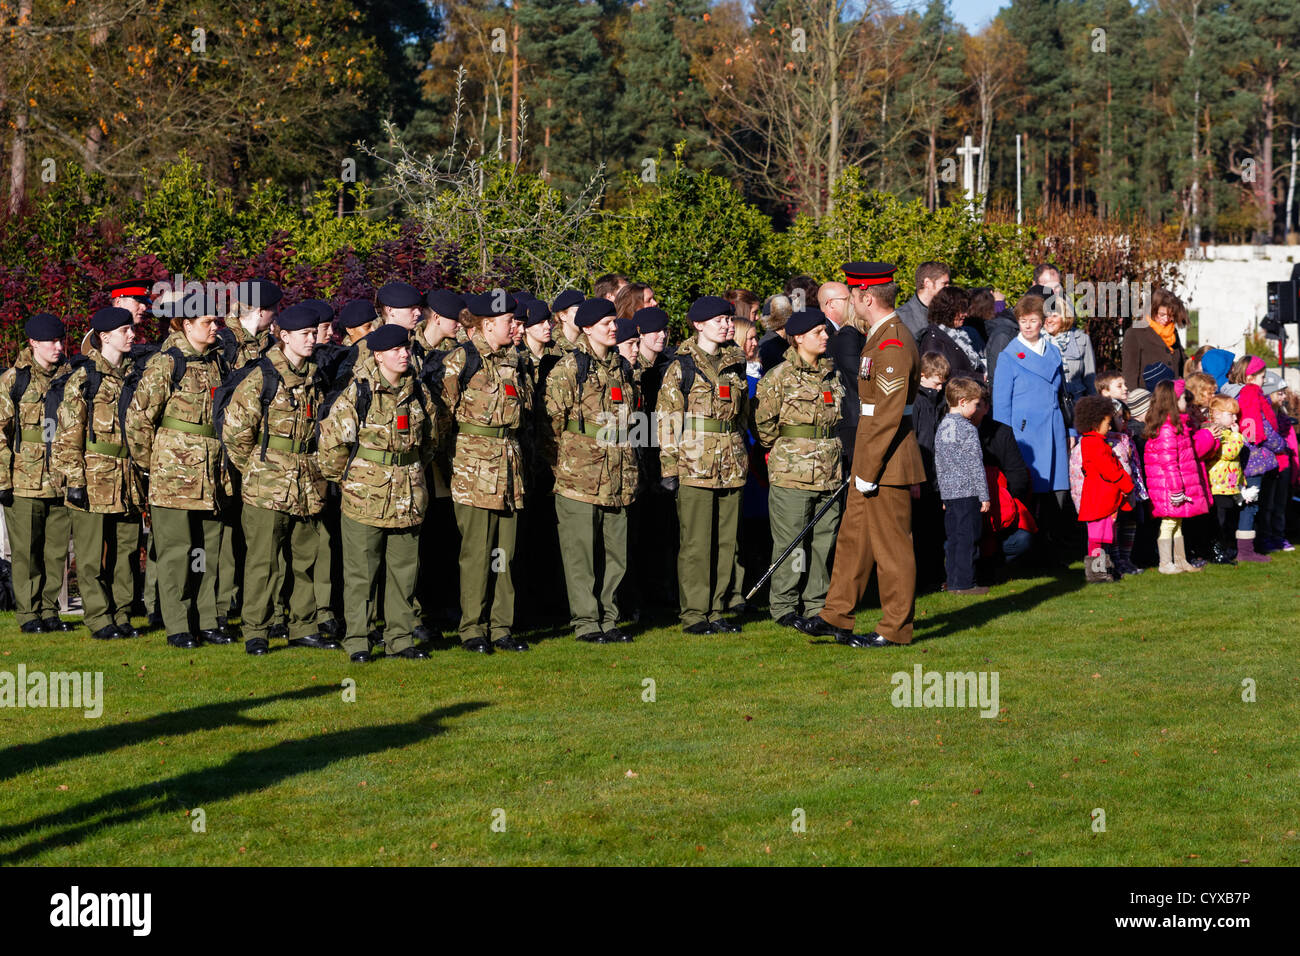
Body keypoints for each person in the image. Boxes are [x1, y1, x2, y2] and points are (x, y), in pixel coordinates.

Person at [805, 261, 925, 648]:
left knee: (892, 549)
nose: (851, 303)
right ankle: (836, 615)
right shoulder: (878, 336)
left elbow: (887, 415)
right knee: (853, 539)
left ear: (867, 297)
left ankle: (894, 628)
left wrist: (869, 468)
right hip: (870, 455)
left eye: (854, 296)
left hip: (885, 460)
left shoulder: (892, 342)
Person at [221, 304, 338, 656]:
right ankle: (256, 628)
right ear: (283, 336)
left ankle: (302, 624)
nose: (311, 340)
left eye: (313, 333)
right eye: (304, 334)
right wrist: (259, 470)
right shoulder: (261, 376)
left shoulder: (315, 375)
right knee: (263, 561)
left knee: (306, 557)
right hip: (268, 484)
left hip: (307, 480)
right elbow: (237, 436)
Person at [317, 323, 436, 662]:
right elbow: (333, 445)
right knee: (361, 574)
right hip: (364, 497)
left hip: (408, 497)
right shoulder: (359, 393)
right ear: (379, 355)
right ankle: (358, 640)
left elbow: (429, 443)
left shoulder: (419, 393)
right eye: (397, 350)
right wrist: (352, 480)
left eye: (407, 348)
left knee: (403, 572)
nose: (404, 354)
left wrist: (409, 471)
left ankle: (400, 639)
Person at [125, 301, 232, 648]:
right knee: (177, 553)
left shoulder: (217, 362)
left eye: (215, 321)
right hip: (174, 477)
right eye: (206, 322)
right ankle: (178, 625)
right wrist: (151, 466)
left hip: (211, 477)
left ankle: (207, 619)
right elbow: (138, 420)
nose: (214, 327)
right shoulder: (167, 364)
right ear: (186, 325)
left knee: (206, 552)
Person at [544, 298, 640, 644]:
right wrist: (568, 461)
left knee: (616, 554)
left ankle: (610, 618)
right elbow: (552, 423)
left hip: (618, 475)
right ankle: (586, 622)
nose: (613, 327)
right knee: (581, 554)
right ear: (586, 328)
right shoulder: (570, 367)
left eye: (614, 322)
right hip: (579, 476)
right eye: (606, 323)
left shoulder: (623, 368)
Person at [441, 292, 530, 653]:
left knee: (504, 553)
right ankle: (473, 629)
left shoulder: (514, 361)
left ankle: (501, 626)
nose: (516, 325)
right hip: (474, 470)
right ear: (488, 324)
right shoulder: (461, 360)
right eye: (510, 321)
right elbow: (441, 418)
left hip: (509, 467)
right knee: (477, 552)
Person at [657, 295, 750, 634]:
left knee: (727, 543)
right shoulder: (681, 367)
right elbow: (667, 422)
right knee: (697, 543)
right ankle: (695, 614)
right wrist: (669, 469)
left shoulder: (735, 363)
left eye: (729, 319)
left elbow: (742, 417)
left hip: (731, 463)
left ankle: (717, 609)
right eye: (719, 320)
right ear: (698, 325)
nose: (727, 324)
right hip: (695, 465)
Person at [53, 307, 144, 640]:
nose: (132, 335)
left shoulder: (135, 375)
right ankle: (98, 618)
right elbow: (67, 433)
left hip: (128, 478)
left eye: (132, 329)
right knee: (91, 557)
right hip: (93, 478)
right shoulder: (85, 377)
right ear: (105, 336)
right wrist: (74, 480)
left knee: (126, 551)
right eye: (125, 330)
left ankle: (121, 615)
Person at [753, 308, 844, 632]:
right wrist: (791, 450)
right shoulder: (779, 377)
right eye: (818, 332)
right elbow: (764, 425)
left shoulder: (832, 375)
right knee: (792, 543)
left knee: (823, 542)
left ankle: (817, 603)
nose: (825, 336)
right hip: (792, 473)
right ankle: (785, 605)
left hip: (829, 472)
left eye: (825, 331)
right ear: (799, 338)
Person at [0, 313, 75, 634]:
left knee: (56, 552)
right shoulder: (14, 380)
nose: (58, 347)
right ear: (32, 343)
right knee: (26, 553)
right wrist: (3, 480)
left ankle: (49, 612)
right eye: (51, 342)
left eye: (61, 341)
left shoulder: (70, 377)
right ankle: (29, 614)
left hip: (60, 479)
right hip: (24, 481)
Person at [217, 278, 282, 636]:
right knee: (228, 533)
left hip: (266, 454)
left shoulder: (269, 344)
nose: (276, 318)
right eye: (274, 311)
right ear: (259, 311)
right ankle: (224, 606)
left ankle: (260, 607)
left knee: (259, 537)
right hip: (230, 450)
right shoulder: (222, 342)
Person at [992, 294, 1070, 531]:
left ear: (1043, 321)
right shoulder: (1008, 356)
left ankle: (1053, 540)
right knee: (1029, 488)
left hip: (1054, 427)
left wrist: (1071, 428)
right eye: (1023, 320)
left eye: (1033, 320)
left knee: (1057, 490)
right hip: (1024, 433)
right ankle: (1029, 542)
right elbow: (1001, 403)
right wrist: (1003, 440)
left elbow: (1063, 395)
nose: (1027, 325)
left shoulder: (1054, 352)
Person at [1143, 380, 1214, 574]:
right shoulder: (1167, 429)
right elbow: (1169, 463)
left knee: (1178, 522)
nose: (1186, 401)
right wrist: (1176, 490)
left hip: (1175, 485)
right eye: (1183, 397)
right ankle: (1165, 563)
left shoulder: (1177, 426)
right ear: (1173, 400)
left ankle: (1180, 560)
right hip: (1169, 486)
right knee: (1169, 523)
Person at [934, 376, 990, 595]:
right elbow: (975, 463)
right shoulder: (967, 429)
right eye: (976, 404)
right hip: (967, 492)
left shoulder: (942, 426)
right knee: (969, 537)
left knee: (955, 538)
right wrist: (984, 495)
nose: (977, 409)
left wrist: (944, 495)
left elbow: (939, 462)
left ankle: (954, 580)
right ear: (963, 401)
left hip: (950, 494)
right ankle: (966, 583)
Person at [1074, 395, 1134, 584]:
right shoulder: (1095, 443)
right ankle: (1097, 572)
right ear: (1095, 421)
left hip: (1100, 496)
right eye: (1107, 422)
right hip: (1099, 498)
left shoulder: (1091, 441)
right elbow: (1110, 469)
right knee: (1098, 537)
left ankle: (1104, 569)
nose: (1110, 427)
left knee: (1103, 536)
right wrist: (1127, 485)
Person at [1093, 370, 1148, 574]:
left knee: (1130, 521)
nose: (1125, 388)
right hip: (1115, 489)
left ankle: (1126, 559)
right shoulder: (1104, 439)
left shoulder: (1127, 435)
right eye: (1119, 385)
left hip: (1131, 486)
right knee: (1114, 526)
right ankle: (1113, 562)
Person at [1229, 355, 1281, 561]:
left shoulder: (1239, 394)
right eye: (1262, 376)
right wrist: (1281, 445)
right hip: (1254, 461)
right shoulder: (1251, 395)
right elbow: (1261, 428)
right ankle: (1245, 552)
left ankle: (1249, 548)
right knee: (1250, 504)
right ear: (1250, 377)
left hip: (1250, 459)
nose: (1265, 381)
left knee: (1250, 504)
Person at [912, 351, 950, 592]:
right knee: (920, 531)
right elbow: (913, 441)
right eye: (936, 382)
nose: (940, 387)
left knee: (936, 531)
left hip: (937, 477)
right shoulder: (916, 403)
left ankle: (936, 577)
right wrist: (913, 478)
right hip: (921, 474)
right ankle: (921, 579)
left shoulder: (941, 402)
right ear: (923, 376)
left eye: (942, 383)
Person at [821, 281, 864, 471]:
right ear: (831, 303)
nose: (853, 303)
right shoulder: (843, 334)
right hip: (849, 418)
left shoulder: (847, 332)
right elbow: (857, 378)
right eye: (847, 299)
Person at [1122, 289, 1188, 392]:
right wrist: (1134, 400)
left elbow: (1183, 362)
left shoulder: (1173, 332)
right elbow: (1130, 373)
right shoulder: (1135, 333)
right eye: (1161, 315)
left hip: (1174, 396)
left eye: (1170, 315)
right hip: (1148, 398)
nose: (1166, 320)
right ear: (1152, 310)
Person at [1206, 394, 1245, 564]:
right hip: (1218, 485)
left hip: (1230, 485)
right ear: (1216, 414)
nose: (1235, 418)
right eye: (1231, 414)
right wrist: (1238, 436)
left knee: (1229, 520)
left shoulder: (1229, 432)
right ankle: (1219, 551)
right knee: (1220, 521)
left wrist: (1241, 481)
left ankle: (1229, 549)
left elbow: (1236, 463)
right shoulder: (1218, 433)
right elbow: (1229, 454)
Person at [917, 286, 982, 380]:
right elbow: (938, 372)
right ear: (949, 310)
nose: (966, 314)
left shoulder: (962, 334)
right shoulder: (933, 338)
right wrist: (979, 377)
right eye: (962, 310)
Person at [1260, 372, 1294, 552]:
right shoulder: (1264, 416)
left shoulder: (1283, 417)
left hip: (1284, 464)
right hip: (1270, 465)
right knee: (1267, 504)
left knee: (1280, 505)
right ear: (1269, 394)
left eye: (1284, 393)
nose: (1284, 396)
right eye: (1279, 393)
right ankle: (1265, 537)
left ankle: (1279, 537)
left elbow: (1291, 443)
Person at [1044, 301, 1096, 402]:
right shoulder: (1037, 340)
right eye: (1046, 316)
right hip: (1048, 402)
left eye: (1054, 316)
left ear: (1065, 318)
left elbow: (1090, 377)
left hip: (1075, 402)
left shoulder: (1081, 339)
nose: (1049, 320)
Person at [896, 261, 951, 340]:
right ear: (927, 283)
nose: (948, 287)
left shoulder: (946, 312)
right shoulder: (902, 318)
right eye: (944, 283)